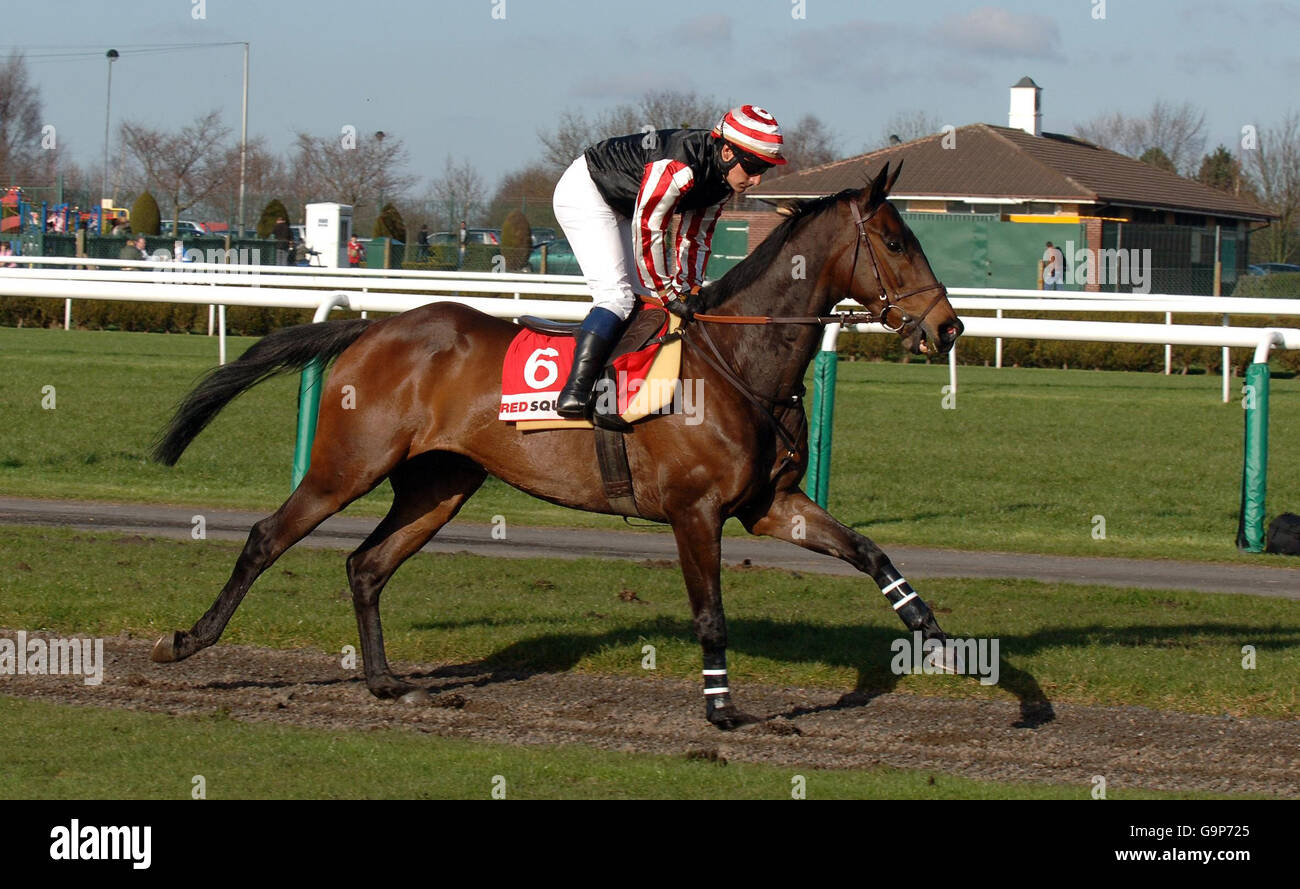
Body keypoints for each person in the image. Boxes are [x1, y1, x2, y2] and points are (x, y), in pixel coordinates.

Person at [551, 104, 786, 418]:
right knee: (618, 298)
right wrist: (668, 294)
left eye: (764, 170)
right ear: (728, 153)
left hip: (623, 204)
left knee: (645, 303)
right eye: (754, 167)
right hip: (587, 192)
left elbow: (695, 237)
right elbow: (650, 229)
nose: (757, 180)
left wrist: (689, 290)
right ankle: (575, 392)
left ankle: (617, 391)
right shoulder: (679, 167)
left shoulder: (720, 181)